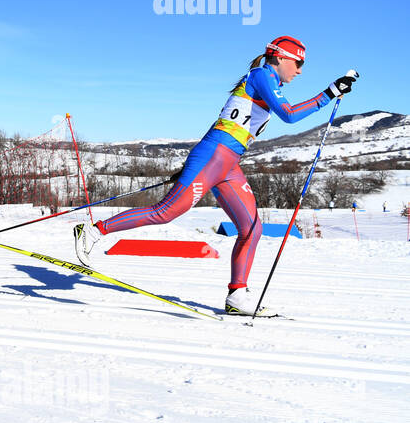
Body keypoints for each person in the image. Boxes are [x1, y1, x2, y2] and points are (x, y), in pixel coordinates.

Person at [72, 35, 357, 314]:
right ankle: (94, 231)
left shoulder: (267, 81)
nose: (300, 71)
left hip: (228, 164)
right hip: (214, 155)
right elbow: (289, 115)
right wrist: (328, 93)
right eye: (297, 64)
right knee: (166, 212)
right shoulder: (261, 75)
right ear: (280, 58)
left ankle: (238, 295)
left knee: (251, 228)